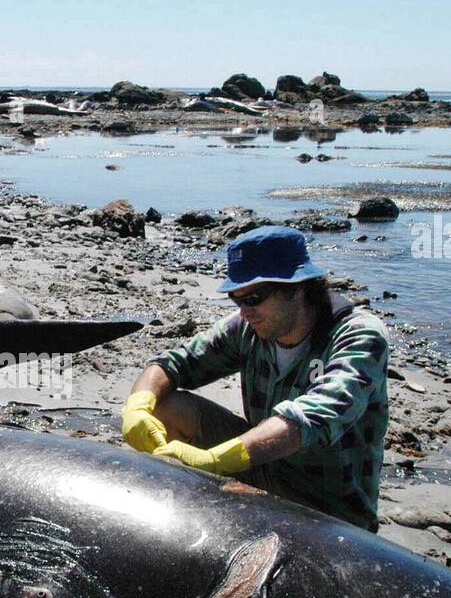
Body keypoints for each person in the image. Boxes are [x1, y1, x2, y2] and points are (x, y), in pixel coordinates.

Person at [121, 225, 390, 532]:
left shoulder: (357, 335)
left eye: (254, 297)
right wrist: (138, 405)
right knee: (164, 406)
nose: (245, 311)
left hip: (331, 511)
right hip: (264, 470)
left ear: (297, 287)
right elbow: (175, 363)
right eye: (237, 299)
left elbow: (315, 416)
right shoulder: (248, 328)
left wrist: (220, 459)